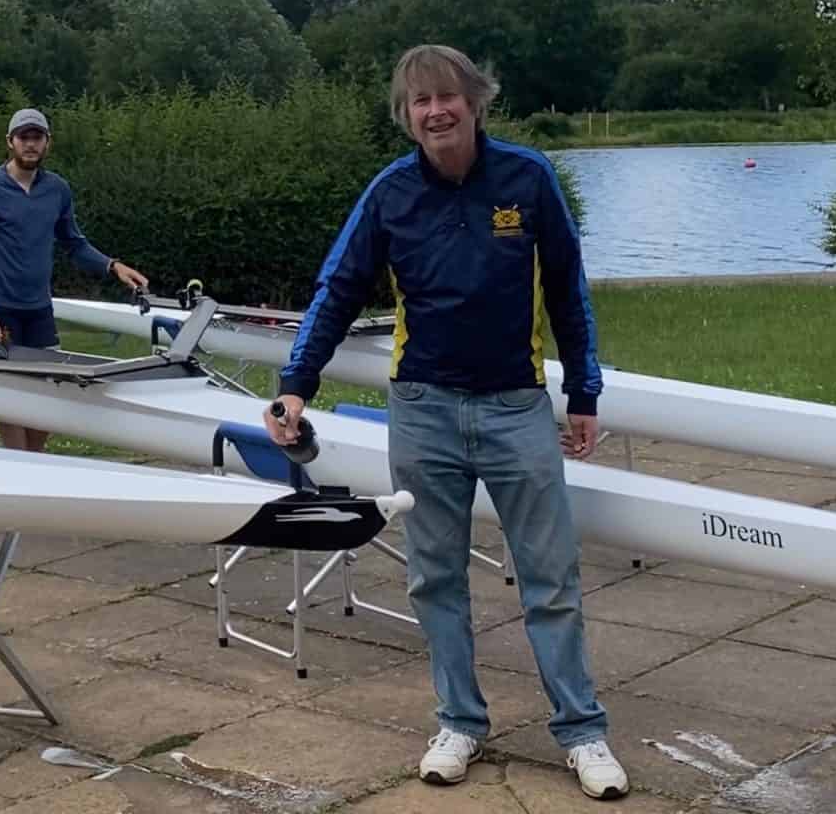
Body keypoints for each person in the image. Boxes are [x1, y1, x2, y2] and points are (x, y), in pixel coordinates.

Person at [263, 44, 630, 802]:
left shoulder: (528, 179)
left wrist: (584, 393)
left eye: (447, 97)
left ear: (475, 102)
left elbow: (568, 289)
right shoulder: (390, 193)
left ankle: (583, 730)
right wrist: (296, 387)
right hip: (423, 410)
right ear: (406, 116)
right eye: (419, 102)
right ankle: (460, 720)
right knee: (435, 578)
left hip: (516, 407)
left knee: (550, 575)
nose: (436, 112)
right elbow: (337, 290)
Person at [0, 107, 149, 452]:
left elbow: (74, 243)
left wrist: (113, 266)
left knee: (51, 392)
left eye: (37, 137)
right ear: (10, 142)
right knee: (11, 399)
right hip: (0, 310)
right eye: (23, 137)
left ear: (48, 143)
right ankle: (19, 473)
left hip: (39, 309)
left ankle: (36, 464)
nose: (30, 144)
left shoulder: (58, 189)